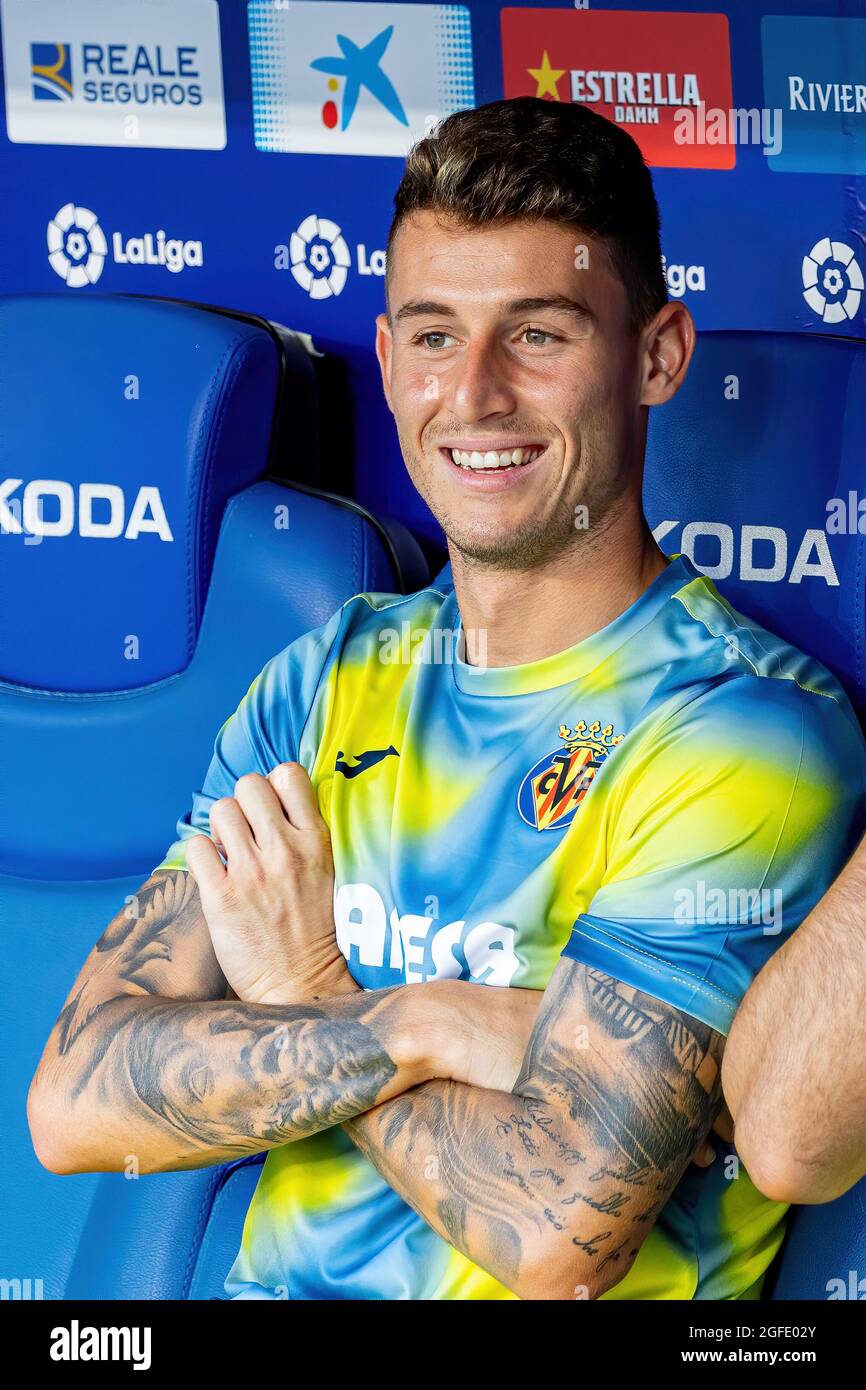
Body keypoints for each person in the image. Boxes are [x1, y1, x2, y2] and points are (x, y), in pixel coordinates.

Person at [28, 96, 866, 1301]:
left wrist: (311, 991)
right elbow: (75, 1095)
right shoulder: (325, 680)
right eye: (431, 336)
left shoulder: (734, 727)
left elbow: (551, 1233)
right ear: (385, 359)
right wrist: (420, 1021)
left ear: (657, 355)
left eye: (536, 335)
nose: (471, 394)